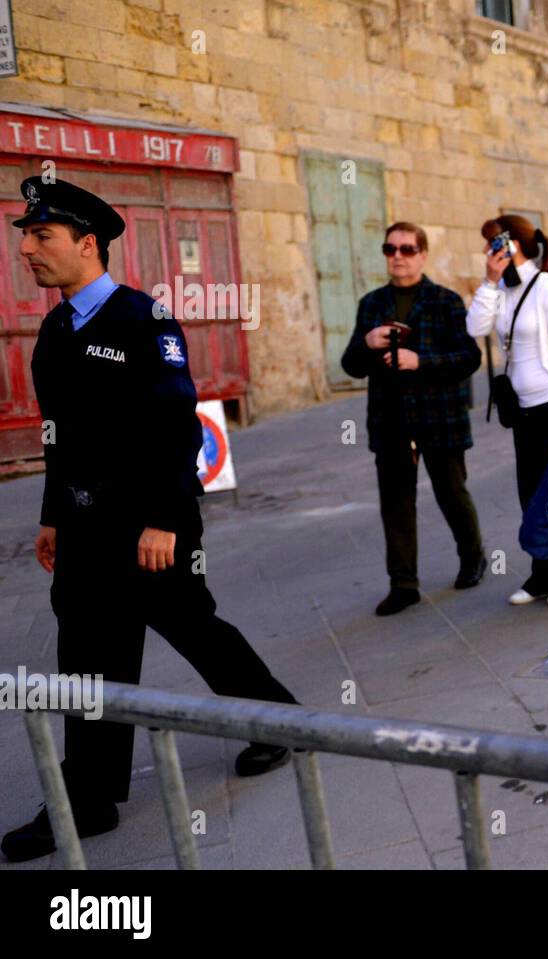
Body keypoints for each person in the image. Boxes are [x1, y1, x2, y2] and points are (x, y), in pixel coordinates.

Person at [2, 178, 298, 863]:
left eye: (41, 236)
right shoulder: (54, 328)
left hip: (148, 526)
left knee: (194, 628)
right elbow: (57, 434)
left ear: (87, 244)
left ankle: (276, 721)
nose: (25, 249)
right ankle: (90, 797)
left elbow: (176, 427)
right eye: (25, 236)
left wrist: (164, 518)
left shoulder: (145, 321)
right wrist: (52, 517)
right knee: (86, 659)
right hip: (83, 530)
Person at [340, 222, 487, 615]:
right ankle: (403, 584)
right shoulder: (371, 304)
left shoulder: (446, 301)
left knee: (452, 493)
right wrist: (368, 343)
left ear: (422, 254)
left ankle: (473, 557)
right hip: (390, 421)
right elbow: (351, 365)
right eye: (391, 249)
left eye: (407, 249)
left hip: (439, 416)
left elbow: (469, 358)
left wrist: (419, 361)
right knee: (396, 503)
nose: (398, 256)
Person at [465, 215, 548, 608]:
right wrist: (489, 281)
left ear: (510, 244)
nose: (485, 251)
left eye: (490, 242)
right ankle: (545, 575)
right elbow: (475, 326)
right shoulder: (504, 290)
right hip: (524, 412)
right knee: (532, 496)